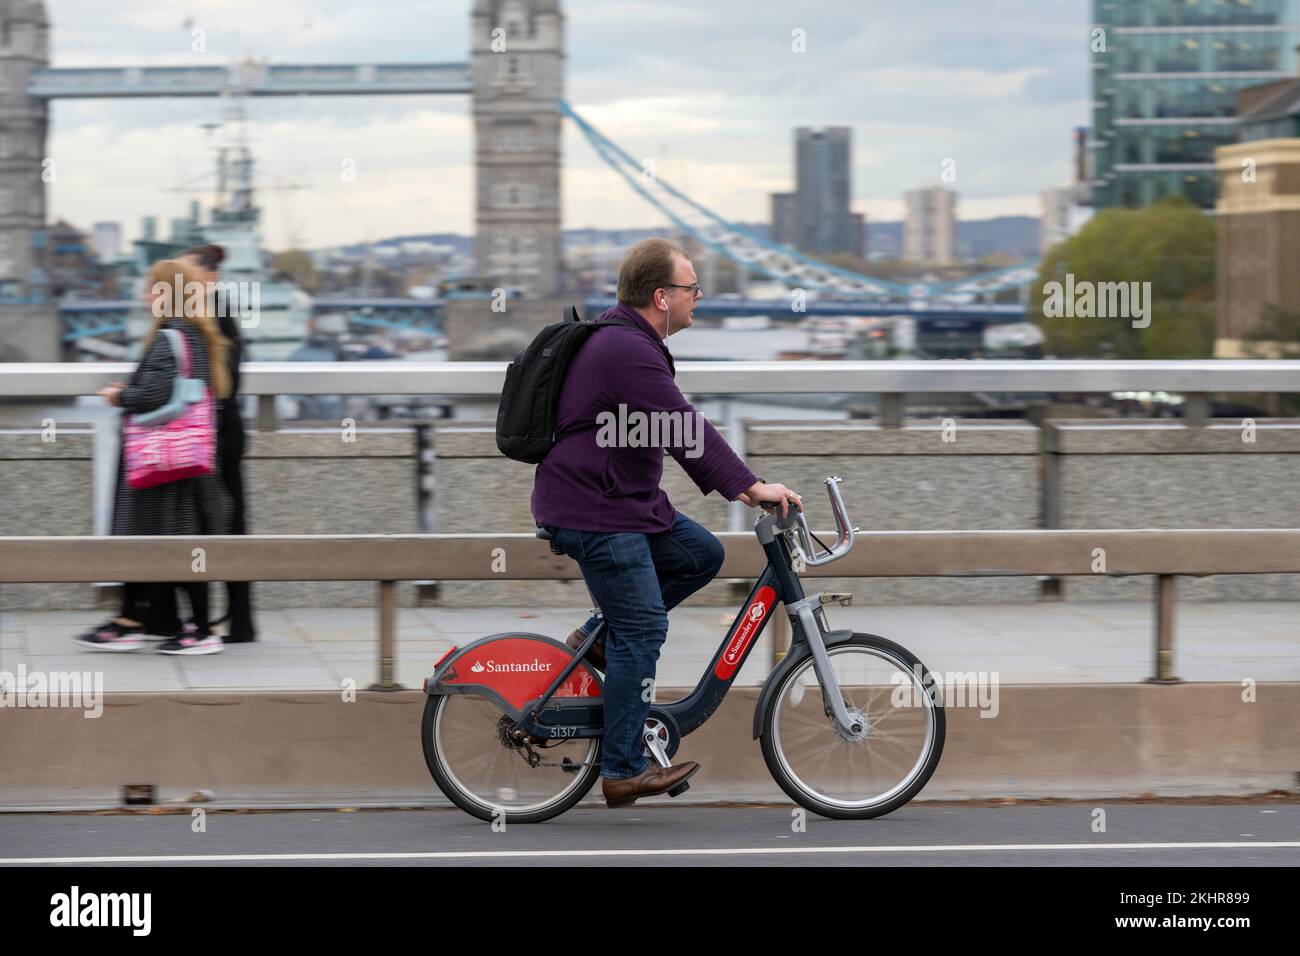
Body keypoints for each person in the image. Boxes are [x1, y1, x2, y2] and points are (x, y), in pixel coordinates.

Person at [532, 238, 802, 809]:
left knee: (701, 554)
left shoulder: (626, 341)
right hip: (596, 511)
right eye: (691, 288)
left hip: (621, 502)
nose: (698, 297)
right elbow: (685, 428)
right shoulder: (626, 351)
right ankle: (623, 769)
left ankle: (597, 636)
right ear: (662, 297)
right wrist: (752, 487)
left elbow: (665, 431)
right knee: (644, 629)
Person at [74, 258, 232, 655]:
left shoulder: (169, 337)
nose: (145, 296)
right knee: (168, 543)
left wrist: (118, 396)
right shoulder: (198, 335)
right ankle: (134, 620)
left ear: (166, 294)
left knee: (167, 544)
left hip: (162, 464)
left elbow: (155, 394)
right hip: (184, 460)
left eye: (150, 288)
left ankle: (193, 630)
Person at [180, 243, 256, 643]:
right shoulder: (211, 313)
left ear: (209, 278)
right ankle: (234, 620)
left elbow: (216, 384)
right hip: (222, 432)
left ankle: (226, 621)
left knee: (221, 526)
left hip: (217, 436)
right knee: (228, 525)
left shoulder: (213, 316)